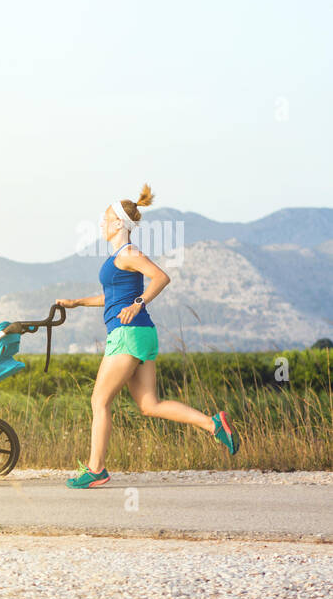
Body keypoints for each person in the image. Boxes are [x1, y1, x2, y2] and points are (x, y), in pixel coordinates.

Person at [56, 184, 239, 489]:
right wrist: (76, 303)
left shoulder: (128, 253)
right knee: (149, 405)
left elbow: (161, 277)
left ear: (118, 224)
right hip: (141, 334)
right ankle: (212, 424)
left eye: (104, 220)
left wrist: (138, 302)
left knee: (99, 401)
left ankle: (96, 469)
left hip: (127, 335)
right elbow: (111, 297)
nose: (101, 224)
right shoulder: (121, 257)